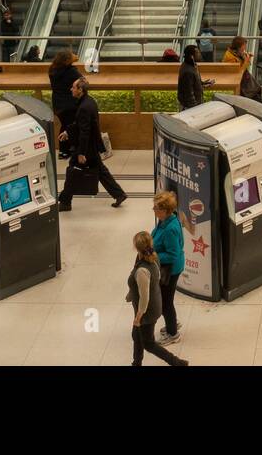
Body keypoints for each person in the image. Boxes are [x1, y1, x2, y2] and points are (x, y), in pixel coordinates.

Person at [57, 77, 126, 210]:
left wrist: (81, 153)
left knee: (72, 171)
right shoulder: (89, 101)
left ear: (80, 90)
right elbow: (80, 124)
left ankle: (65, 202)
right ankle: (119, 194)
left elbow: (85, 132)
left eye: (73, 87)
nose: (71, 89)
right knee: (100, 171)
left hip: (86, 148)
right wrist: (67, 132)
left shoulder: (84, 107)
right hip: (91, 146)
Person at [128, 231, 189, 366]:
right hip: (155, 303)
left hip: (146, 310)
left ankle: (177, 363)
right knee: (137, 336)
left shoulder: (142, 270)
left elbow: (144, 297)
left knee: (148, 344)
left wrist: (139, 317)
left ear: (136, 247)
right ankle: (136, 363)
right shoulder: (154, 257)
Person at [152, 191, 186, 346]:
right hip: (171, 267)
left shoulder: (170, 228)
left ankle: (173, 333)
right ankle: (172, 323)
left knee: (166, 302)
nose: (154, 210)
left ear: (165, 210)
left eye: (157, 208)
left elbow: (173, 254)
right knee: (167, 299)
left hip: (170, 270)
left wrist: (153, 256)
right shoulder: (167, 220)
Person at [49, 49, 83, 158]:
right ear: (67, 60)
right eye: (71, 55)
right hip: (70, 104)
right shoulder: (71, 71)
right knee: (71, 126)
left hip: (58, 104)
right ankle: (70, 149)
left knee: (65, 124)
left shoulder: (52, 70)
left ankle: (64, 151)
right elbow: (83, 82)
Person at [178, 45, 212, 111]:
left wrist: (203, 84)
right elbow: (188, 93)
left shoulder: (193, 66)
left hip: (194, 106)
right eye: (197, 53)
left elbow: (193, 83)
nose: (199, 54)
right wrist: (195, 109)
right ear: (192, 56)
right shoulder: (188, 71)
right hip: (190, 108)